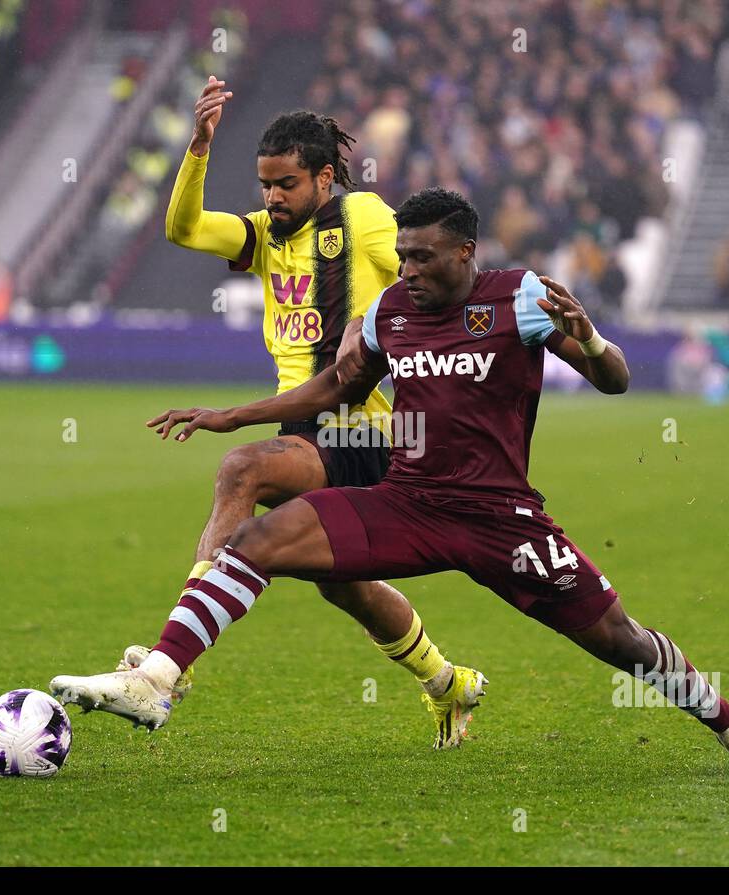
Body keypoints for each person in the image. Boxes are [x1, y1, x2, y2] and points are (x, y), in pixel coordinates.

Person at [52, 188, 729, 775]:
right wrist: (235, 416)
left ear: (465, 254)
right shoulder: (391, 310)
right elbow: (337, 392)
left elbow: (616, 380)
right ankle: (155, 680)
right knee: (256, 539)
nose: (406, 268)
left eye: (422, 256)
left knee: (621, 641)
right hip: (409, 500)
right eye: (401, 254)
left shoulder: (521, 298)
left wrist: (589, 338)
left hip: (502, 519)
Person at [144, 78, 486, 748]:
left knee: (242, 469)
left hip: (369, 428)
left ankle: (168, 666)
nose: (272, 198)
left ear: (324, 177)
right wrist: (198, 147)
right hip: (306, 428)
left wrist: (390, 319)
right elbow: (183, 228)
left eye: (287, 185)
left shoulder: (361, 219)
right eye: (266, 185)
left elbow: (440, 273)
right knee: (346, 587)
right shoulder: (265, 237)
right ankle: (449, 684)